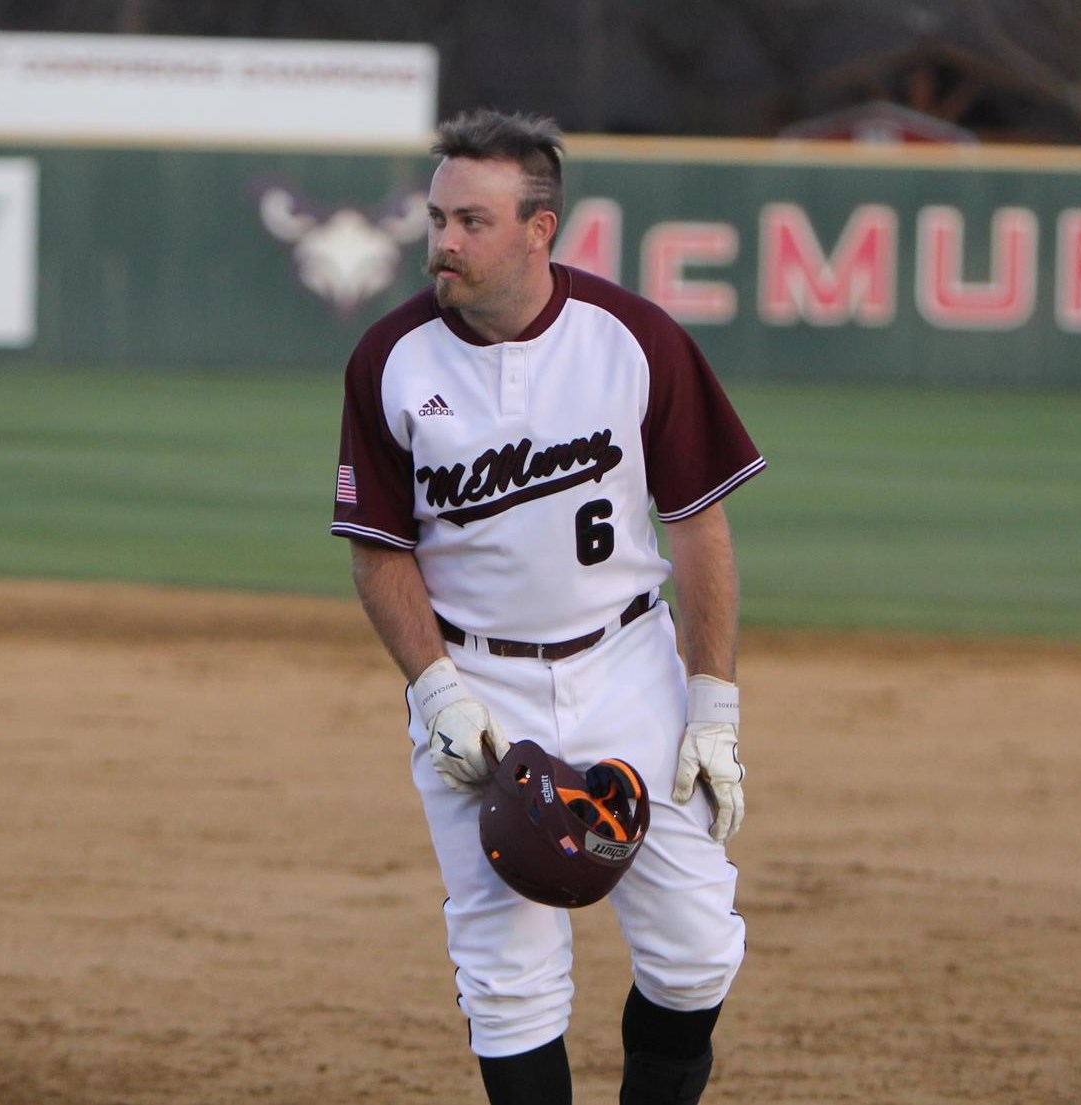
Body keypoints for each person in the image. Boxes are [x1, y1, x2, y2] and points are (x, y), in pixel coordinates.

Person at [329, 108, 764, 1105]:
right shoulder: (391, 360)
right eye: (438, 217)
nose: (444, 242)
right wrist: (438, 692)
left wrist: (715, 707)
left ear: (540, 229)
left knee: (697, 952)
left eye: (473, 221)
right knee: (508, 977)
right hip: (477, 679)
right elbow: (378, 551)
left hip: (629, 667)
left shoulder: (634, 339)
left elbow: (699, 526)